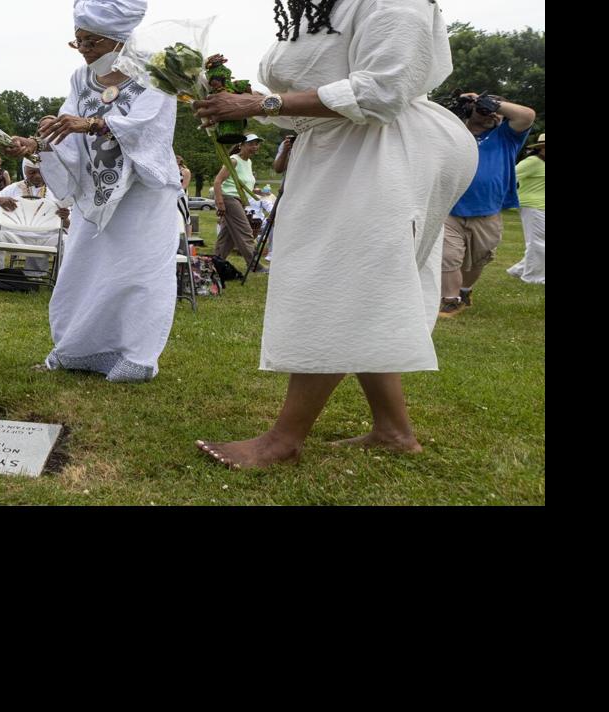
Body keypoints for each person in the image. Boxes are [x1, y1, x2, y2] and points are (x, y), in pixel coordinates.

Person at [192, 0, 476, 468]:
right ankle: (394, 430)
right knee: (362, 282)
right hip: (335, 145)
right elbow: (301, 104)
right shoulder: (314, 10)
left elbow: (383, 91)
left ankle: (283, 440)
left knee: (339, 280)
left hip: (385, 146)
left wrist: (261, 103)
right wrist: (233, 101)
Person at [5, 0, 180, 384]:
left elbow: (148, 126)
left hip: (143, 193)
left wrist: (91, 123)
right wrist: (39, 143)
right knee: (82, 269)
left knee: (138, 272)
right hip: (94, 193)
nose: (83, 49)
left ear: (119, 40)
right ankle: (76, 349)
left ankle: (136, 356)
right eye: (78, 41)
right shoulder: (79, 80)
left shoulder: (156, 75)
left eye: (92, 42)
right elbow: (66, 132)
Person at [437, 89, 535, 316]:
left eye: (498, 112)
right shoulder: (455, 133)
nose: (494, 116)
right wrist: (466, 103)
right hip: (449, 208)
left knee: (479, 259)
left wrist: (490, 103)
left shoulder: (506, 136)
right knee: (448, 255)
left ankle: (464, 290)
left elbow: (527, 116)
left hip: (487, 211)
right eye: (485, 111)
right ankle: (450, 299)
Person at [0, 158, 71, 274]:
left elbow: (68, 225)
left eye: (40, 172)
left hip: (45, 237)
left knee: (66, 240)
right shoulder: (13, 189)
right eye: (32, 172)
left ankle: (59, 281)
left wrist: (65, 217)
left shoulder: (57, 191)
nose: (37, 176)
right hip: (16, 235)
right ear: (25, 171)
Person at [211, 135, 265, 272]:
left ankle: (215, 263)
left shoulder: (249, 162)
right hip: (229, 199)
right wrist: (220, 203)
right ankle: (255, 265)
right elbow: (217, 182)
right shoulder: (234, 160)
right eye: (251, 144)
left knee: (227, 235)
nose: (255, 147)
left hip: (239, 200)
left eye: (257, 144)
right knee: (245, 231)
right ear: (241, 145)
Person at [506, 133, 544, 284]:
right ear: (542, 148)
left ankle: (519, 270)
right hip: (532, 206)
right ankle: (533, 278)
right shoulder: (532, 161)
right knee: (537, 243)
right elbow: (509, 176)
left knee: (539, 242)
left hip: (541, 207)